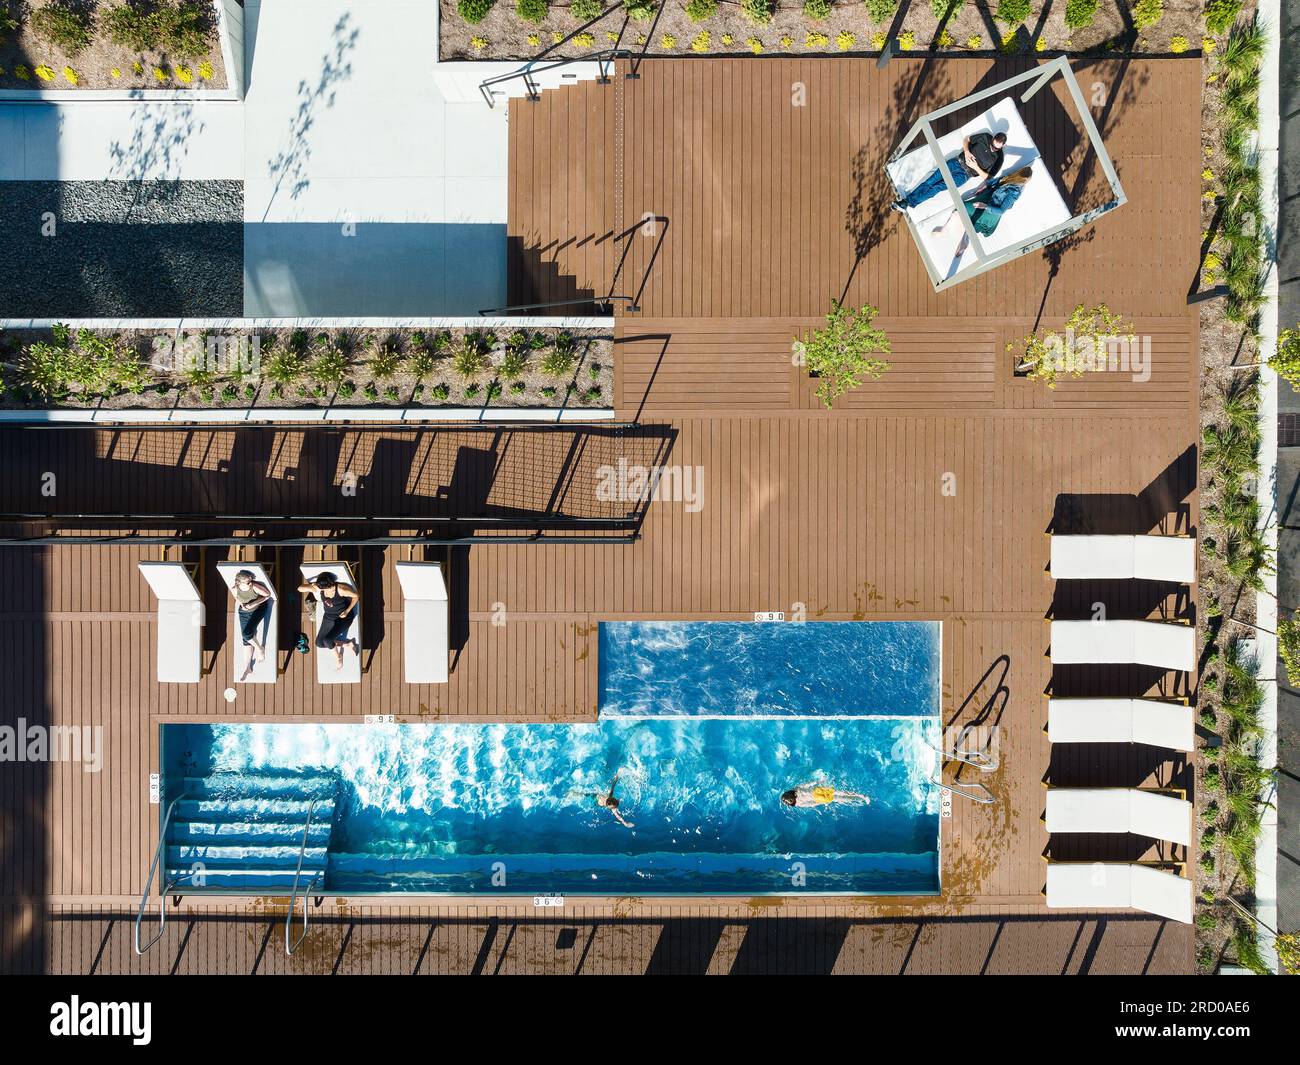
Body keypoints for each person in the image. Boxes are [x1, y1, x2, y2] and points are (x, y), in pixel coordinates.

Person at [891, 130, 1007, 214]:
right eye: (992, 145)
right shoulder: (985, 137)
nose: (993, 148)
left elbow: (988, 178)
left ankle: (908, 203)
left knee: (936, 188)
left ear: (1002, 146)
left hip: (965, 175)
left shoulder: (999, 157)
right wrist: (966, 152)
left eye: (996, 148)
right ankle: (906, 203)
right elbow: (967, 139)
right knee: (930, 181)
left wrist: (976, 167)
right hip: (956, 162)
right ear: (992, 139)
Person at [930, 167, 1034, 257]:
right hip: (987, 197)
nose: (1022, 183)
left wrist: (984, 206)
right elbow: (994, 182)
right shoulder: (1008, 177)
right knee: (961, 211)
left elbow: (1001, 210)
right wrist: (985, 186)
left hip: (991, 210)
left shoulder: (1014, 192)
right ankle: (946, 230)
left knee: (964, 210)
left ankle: (963, 240)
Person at [297, 570, 359, 671]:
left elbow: (356, 596)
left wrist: (347, 611)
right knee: (319, 643)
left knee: (327, 640)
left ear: (330, 584)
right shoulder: (321, 586)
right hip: (329, 617)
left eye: (324, 588)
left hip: (343, 618)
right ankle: (348, 644)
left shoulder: (341, 589)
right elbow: (299, 589)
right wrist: (313, 585)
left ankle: (338, 657)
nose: (323, 590)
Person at [230, 569, 273, 682]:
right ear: (239, 582)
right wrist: (243, 605)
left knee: (246, 634)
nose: (251, 582)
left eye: (251, 580)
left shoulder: (254, 587)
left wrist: (253, 603)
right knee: (246, 639)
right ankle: (247, 667)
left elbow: (267, 595)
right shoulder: (235, 589)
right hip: (244, 612)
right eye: (248, 582)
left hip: (258, 609)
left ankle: (260, 649)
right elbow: (237, 599)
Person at [780, 784, 871, 808]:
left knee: (840, 798)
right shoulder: (796, 789)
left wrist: (820, 803)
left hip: (817, 797)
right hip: (817, 791)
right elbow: (807, 785)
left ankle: (859, 798)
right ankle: (861, 796)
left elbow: (811, 804)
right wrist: (817, 782)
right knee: (839, 792)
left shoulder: (797, 803)